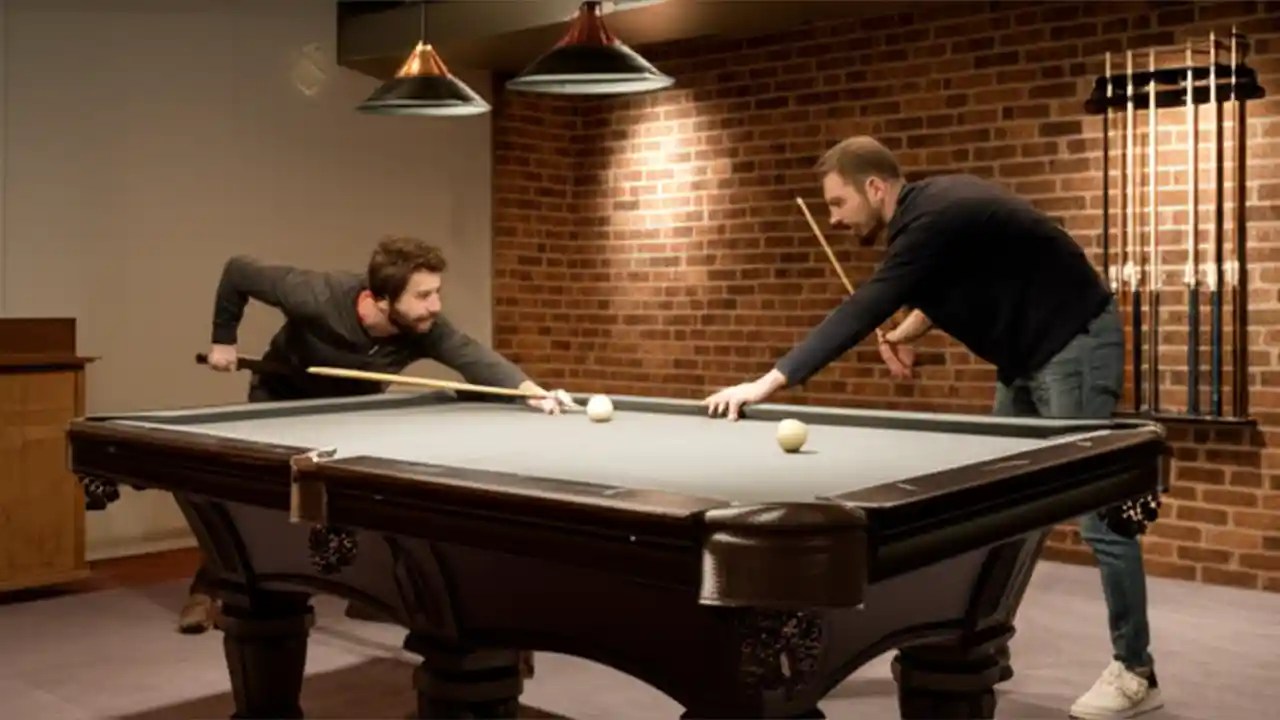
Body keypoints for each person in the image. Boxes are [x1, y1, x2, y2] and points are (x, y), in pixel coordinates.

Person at [702, 136, 1161, 720]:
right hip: (1026, 358)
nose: (834, 218)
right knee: (1001, 504)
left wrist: (767, 382)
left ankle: (1136, 671)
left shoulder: (930, 221)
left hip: (1074, 344)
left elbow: (864, 307)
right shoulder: (929, 217)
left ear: (875, 187)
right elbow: (934, 291)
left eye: (838, 203)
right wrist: (901, 335)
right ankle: (980, 638)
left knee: (1098, 509)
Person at [181, 235, 574, 656]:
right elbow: (238, 271)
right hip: (280, 399)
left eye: (436, 292)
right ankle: (211, 588)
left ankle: (368, 589)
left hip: (348, 411)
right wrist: (223, 339)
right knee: (252, 503)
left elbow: (471, 355)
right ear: (380, 300)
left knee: (362, 495)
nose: (435, 306)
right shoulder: (317, 296)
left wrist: (531, 392)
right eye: (423, 295)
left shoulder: (422, 328)